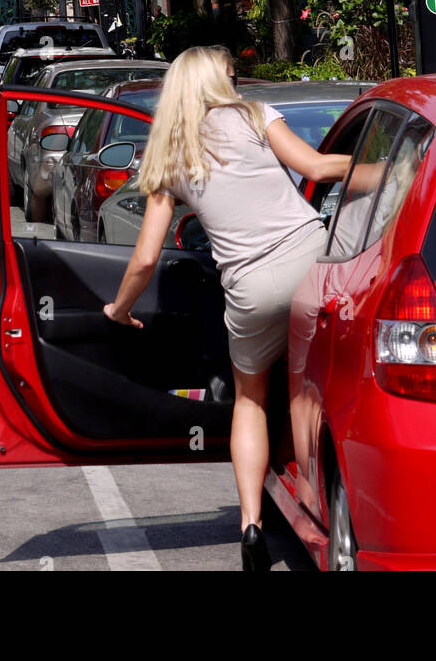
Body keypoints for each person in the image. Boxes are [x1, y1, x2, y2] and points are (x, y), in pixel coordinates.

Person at [103, 46, 359, 572]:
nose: (237, 80)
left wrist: (119, 309)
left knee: (250, 399)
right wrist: (398, 171)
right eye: (230, 74)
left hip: (249, 288)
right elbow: (319, 167)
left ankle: (250, 523)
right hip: (311, 260)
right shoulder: (254, 114)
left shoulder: (169, 156)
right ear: (216, 82)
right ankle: (333, 499)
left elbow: (146, 257)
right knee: (326, 376)